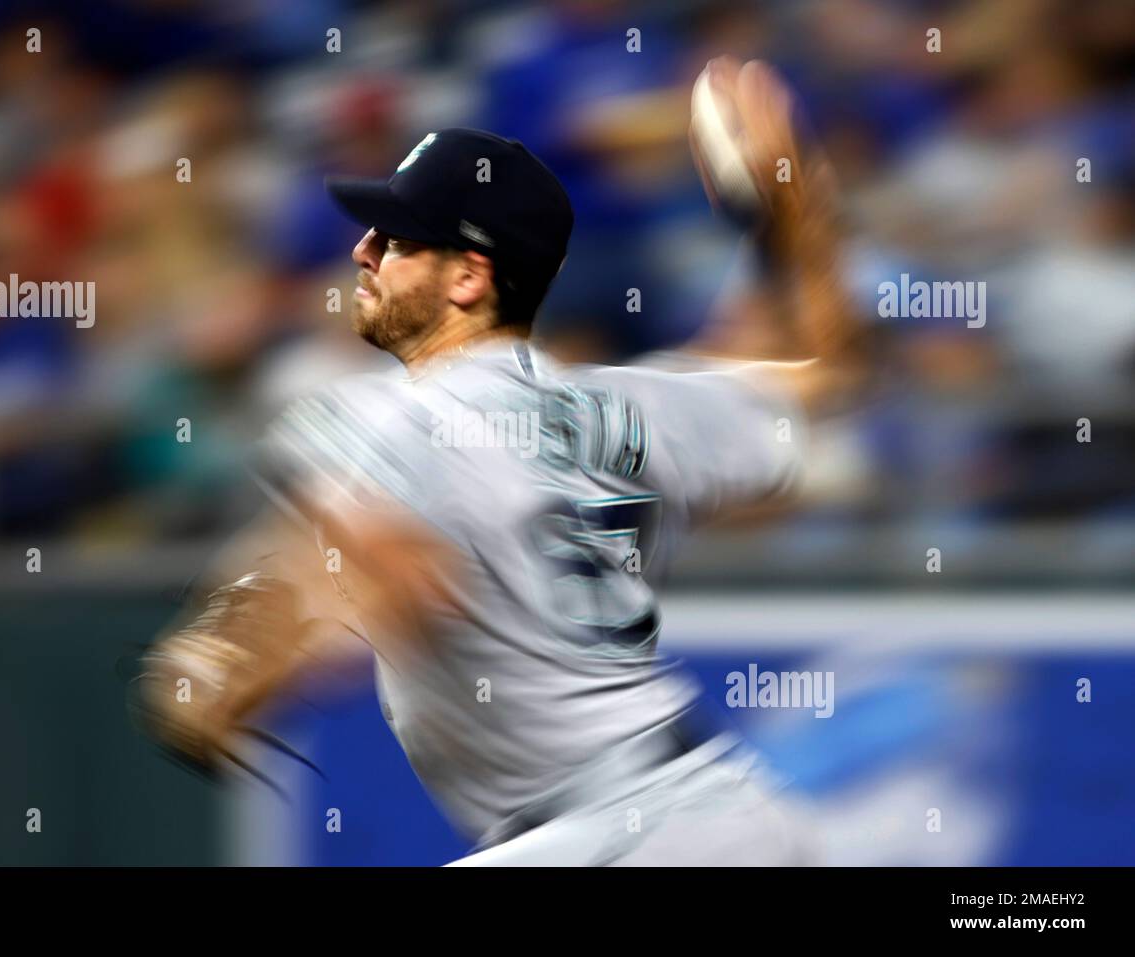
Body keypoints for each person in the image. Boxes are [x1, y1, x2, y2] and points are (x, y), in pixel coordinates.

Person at [135, 57, 865, 865]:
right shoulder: (630, 407)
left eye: (396, 239)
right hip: (731, 815)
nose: (362, 251)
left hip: (611, 837)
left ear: (468, 277)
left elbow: (383, 565)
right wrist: (798, 215)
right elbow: (819, 374)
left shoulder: (386, 412)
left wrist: (233, 647)